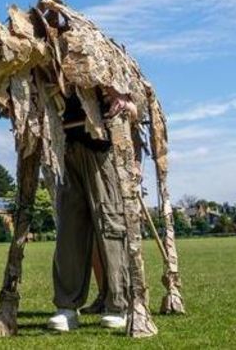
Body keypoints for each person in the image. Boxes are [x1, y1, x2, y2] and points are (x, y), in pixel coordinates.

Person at [46, 89, 135, 332]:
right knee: (69, 232)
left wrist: (126, 101)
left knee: (110, 227)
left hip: (100, 150)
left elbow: (136, 102)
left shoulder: (107, 59)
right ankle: (67, 306)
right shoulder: (54, 61)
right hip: (65, 148)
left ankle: (119, 304)